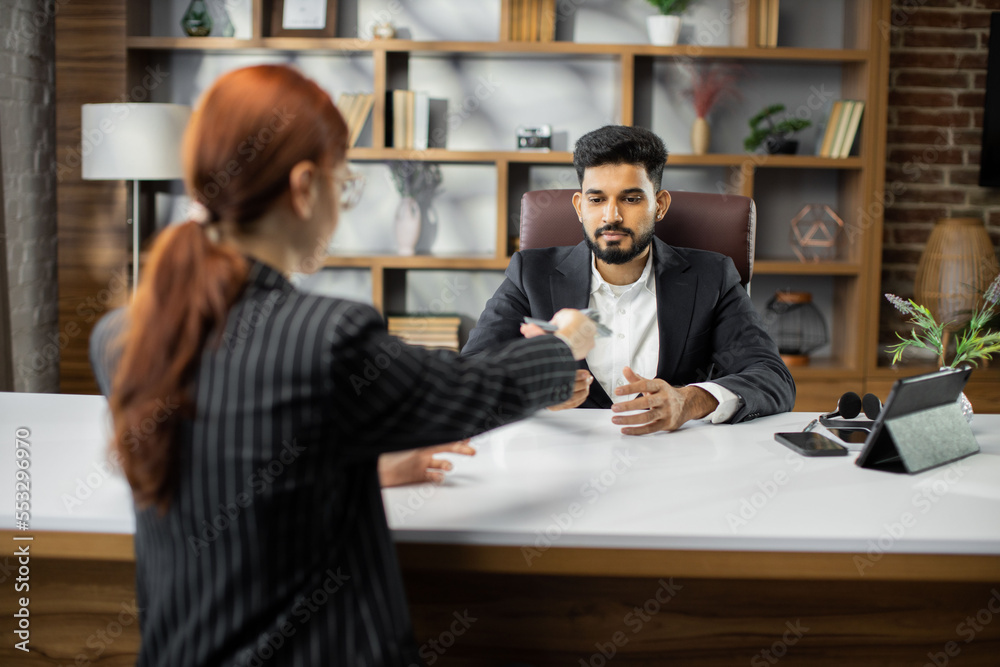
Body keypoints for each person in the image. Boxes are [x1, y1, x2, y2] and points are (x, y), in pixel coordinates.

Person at [88, 64, 596, 667]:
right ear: (305, 187)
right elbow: (481, 389)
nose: (340, 204)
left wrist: (353, 464)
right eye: (344, 185)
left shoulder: (122, 337)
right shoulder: (327, 336)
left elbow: (228, 458)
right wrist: (565, 344)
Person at [463, 125, 795, 435]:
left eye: (631, 198)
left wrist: (690, 401)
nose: (612, 216)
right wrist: (532, 390)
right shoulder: (530, 274)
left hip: (676, 462)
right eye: (597, 199)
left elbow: (773, 378)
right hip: (562, 462)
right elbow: (470, 374)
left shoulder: (712, 276)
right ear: (579, 206)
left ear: (660, 205)